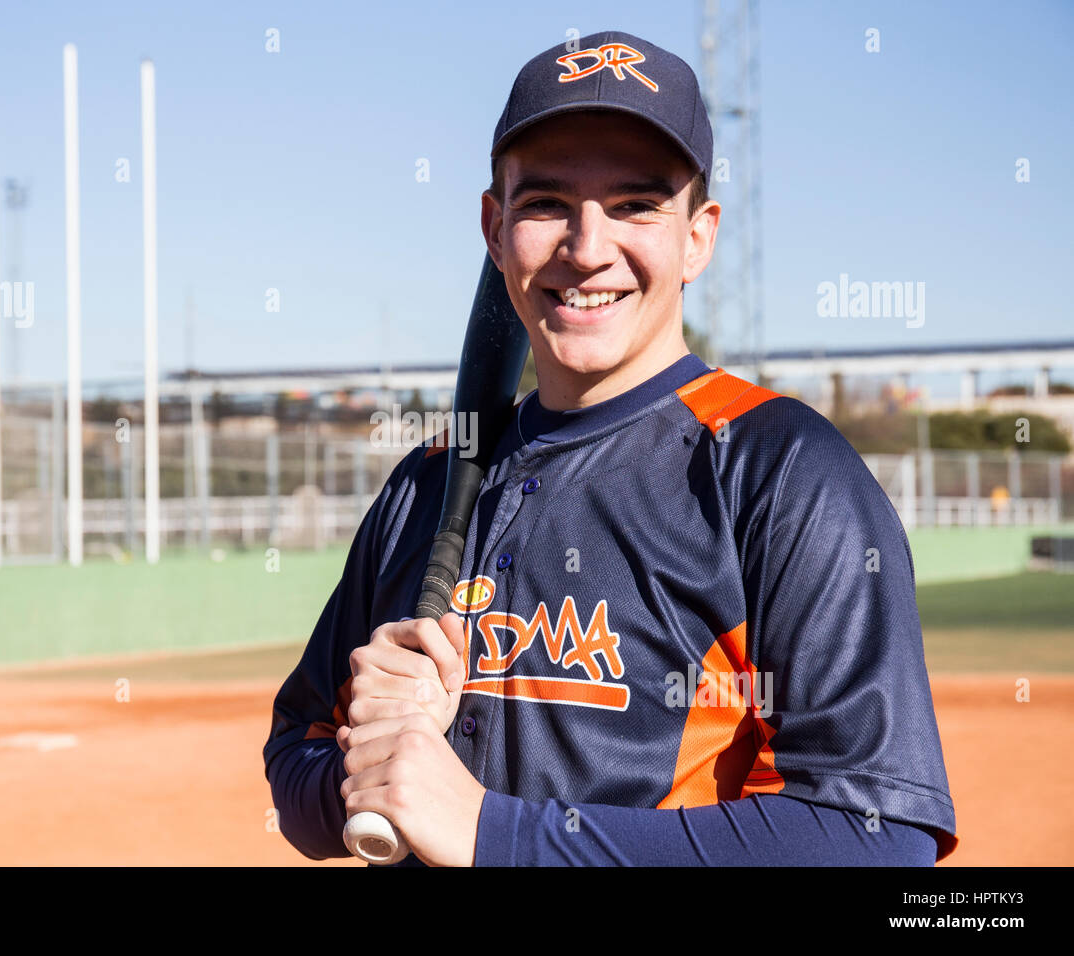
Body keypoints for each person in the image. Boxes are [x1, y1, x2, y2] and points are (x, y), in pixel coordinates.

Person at [263, 30, 957, 867]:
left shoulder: (779, 469)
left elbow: (876, 838)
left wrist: (495, 833)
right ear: (495, 227)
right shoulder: (430, 482)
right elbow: (296, 769)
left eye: (635, 205)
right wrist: (368, 760)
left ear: (697, 236)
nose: (587, 248)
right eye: (547, 203)